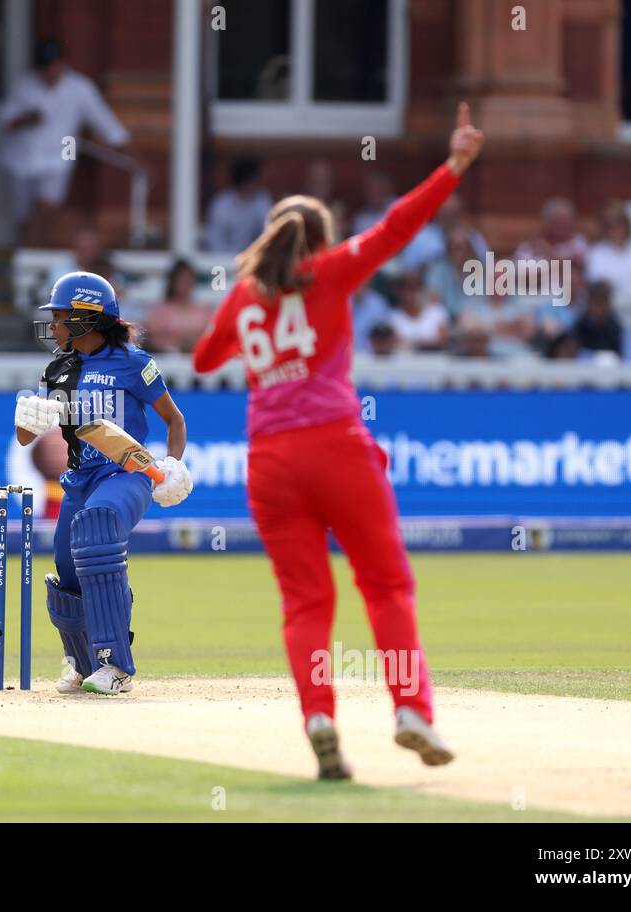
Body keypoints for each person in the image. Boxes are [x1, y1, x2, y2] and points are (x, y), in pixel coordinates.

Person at [192, 102, 484, 779]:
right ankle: (411, 709)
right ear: (317, 242)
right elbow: (397, 228)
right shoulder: (331, 271)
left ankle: (319, 717)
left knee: (305, 602)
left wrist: (247, 314)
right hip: (334, 444)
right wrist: (453, 166)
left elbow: (206, 358)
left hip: (268, 461)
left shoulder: (244, 297)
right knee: (385, 584)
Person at [15, 271, 192, 694]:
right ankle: (82, 662)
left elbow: (174, 419)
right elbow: (26, 438)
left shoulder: (133, 363)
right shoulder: (59, 369)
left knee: (97, 528)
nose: (53, 326)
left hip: (126, 474)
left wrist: (172, 464)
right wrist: (26, 420)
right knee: (67, 565)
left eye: (59, 317)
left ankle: (115, 666)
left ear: (87, 318)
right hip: (80, 479)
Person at [1, 39, 130, 246]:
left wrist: (130, 154)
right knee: (24, 216)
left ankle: (29, 254)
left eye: (55, 65)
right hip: (22, 159)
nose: (51, 72)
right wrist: (26, 120)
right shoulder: (24, 86)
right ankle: (26, 254)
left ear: (64, 64)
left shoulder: (80, 88)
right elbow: (6, 122)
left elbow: (105, 123)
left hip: (60, 156)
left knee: (48, 208)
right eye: (46, 67)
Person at [205, 158, 273, 253]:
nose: (260, 183)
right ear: (247, 180)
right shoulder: (221, 204)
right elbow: (216, 241)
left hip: (254, 260)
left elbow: (268, 230)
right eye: (257, 179)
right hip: (224, 261)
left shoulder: (261, 200)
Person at [145, 259, 213, 353]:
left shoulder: (203, 309)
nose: (185, 284)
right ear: (173, 282)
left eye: (188, 280)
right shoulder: (159, 310)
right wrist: (176, 344)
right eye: (181, 280)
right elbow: (153, 339)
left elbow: (212, 337)